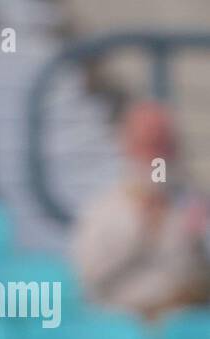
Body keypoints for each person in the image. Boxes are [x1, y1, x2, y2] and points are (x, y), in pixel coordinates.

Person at [71, 99, 210, 320]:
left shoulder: (192, 203)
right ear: (128, 146)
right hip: (125, 326)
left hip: (185, 325)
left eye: (167, 144)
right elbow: (88, 278)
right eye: (150, 144)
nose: (159, 155)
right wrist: (142, 227)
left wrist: (199, 238)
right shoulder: (103, 209)